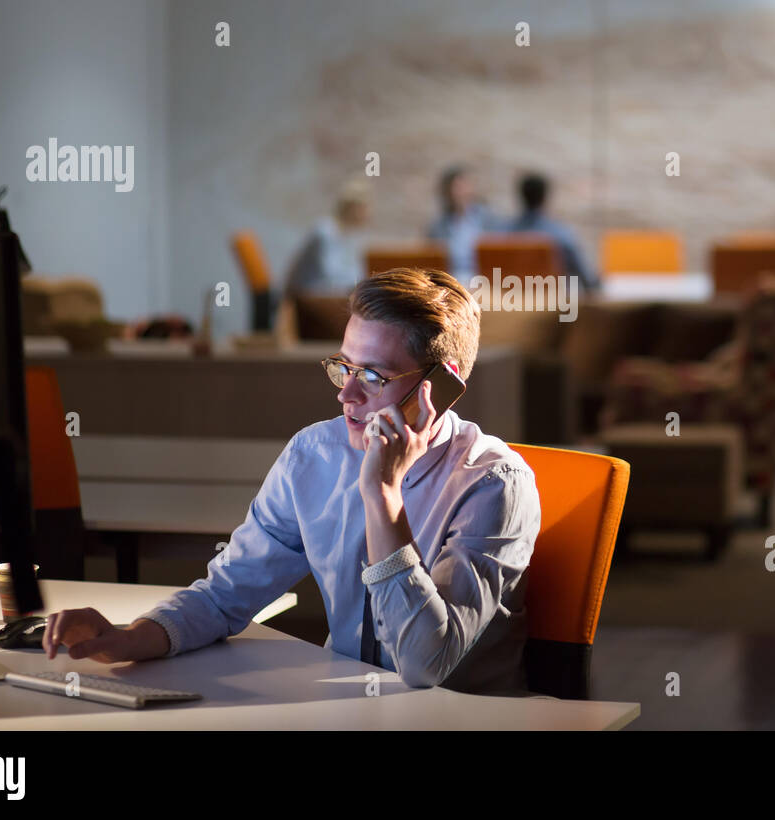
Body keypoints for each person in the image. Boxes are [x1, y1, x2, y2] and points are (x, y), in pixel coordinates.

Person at [41, 268, 543, 695]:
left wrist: (383, 497)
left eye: (373, 375)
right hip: (344, 710)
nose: (346, 395)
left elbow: (425, 664)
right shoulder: (314, 455)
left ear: (442, 386)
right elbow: (224, 596)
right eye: (344, 366)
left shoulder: (494, 485)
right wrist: (132, 637)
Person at [510, 172, 600, 289]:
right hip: (554, 305)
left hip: (510, 304)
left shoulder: (500, 237)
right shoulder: (561, 235)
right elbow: (587, 279)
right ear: (544, 197)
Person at [284, 178, 371, 295]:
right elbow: (328, 277)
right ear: (351, 207)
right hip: (307, 297)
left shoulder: (352, 236)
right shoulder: (325, 231)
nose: (367, 213)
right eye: (363, 207)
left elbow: (357, 275)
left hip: (329, 297)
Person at [426, 165, 499, 284]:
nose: (460, 192)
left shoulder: (486, 218)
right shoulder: (438, 226)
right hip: (451, 281)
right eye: (456, 188)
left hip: (484, 280)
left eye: (464, 186)